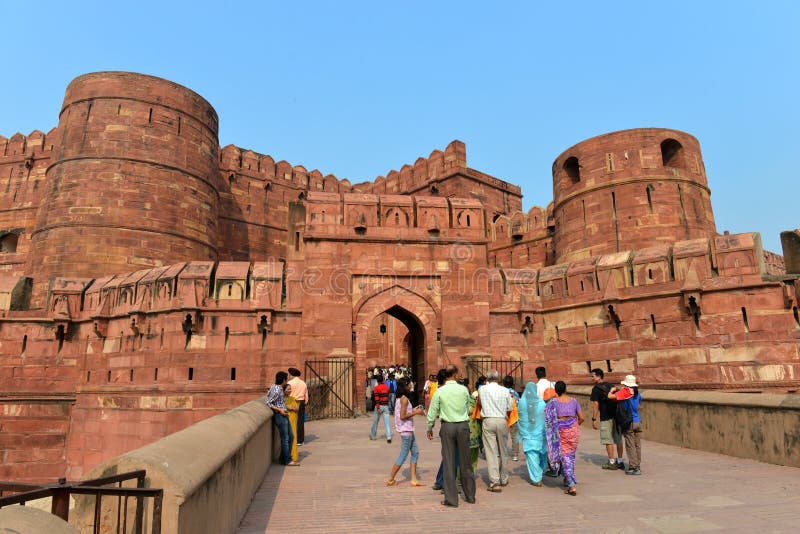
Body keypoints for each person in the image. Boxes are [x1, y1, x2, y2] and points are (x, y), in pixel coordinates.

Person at [426, 364, 476, 508]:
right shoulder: (463, 390)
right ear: (454, 375)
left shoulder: (440, 391)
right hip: (462, 426)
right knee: (466, 462)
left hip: (447, 426)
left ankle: (452, 499)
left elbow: (432, 411)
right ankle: (470, 495)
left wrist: (430, 427)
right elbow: (469, 408)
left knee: (449, 463)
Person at [544, 381, 584, 496]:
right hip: (574, 431)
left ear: (556, 391)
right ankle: (567, 479)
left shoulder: (553, 402)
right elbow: (581, 418)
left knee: (565, 457)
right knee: (570, 456)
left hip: (561, 432)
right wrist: (574, 426)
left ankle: (571, 486)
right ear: (566, 389)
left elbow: (547, 416)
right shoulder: (574, 401)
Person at [477, 369, 513, 492]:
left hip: (488, 420)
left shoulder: (482, 389)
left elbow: (480, 403)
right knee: (503, 450)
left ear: (487, 378)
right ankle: (504, 478)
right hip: (502, 419)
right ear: (498, 378)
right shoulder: (505, 390)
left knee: (491, 452)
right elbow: (510, 407)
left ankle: (495, 481)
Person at [387, 378, 426, 486]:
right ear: (406, 386)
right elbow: (403, 416)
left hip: (408, 429)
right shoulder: (404, 399)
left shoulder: (401, 398)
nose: (411, 385)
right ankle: (391, 478)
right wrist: (416, 413)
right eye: (410, 383)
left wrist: (414, 409)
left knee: (415, 452)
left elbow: (405, 412)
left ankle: (413, 479)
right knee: (403, 455)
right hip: (406, 431)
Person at [608, 375, 643, 475]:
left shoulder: (626, 392)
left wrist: (612, 390)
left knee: (630, 445)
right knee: (637, 445)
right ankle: (638, 465)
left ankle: (633, 467)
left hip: (629, 422)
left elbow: (610, 397)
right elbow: (639, 401)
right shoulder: (637, 393)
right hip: (637, 421)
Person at [590, 368, 624, 470]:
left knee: (607, 439)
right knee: (618, 439)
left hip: (605, 416)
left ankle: (612, 462)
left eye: (593, 376)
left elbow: (596, 404)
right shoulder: (610, 385)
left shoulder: (596, 389)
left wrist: (594, 419)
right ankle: (620, 461)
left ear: (599, 376)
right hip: (616, 415)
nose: (592, 378)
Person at [265, 371, 300, 466]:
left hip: (284, 415)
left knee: (291, 436)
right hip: (280, 416)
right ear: (283, 380)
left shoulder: (278, 388)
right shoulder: (276, 389)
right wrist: (279, 410)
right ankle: (288, 460)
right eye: (286, 379)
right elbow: (268, 402)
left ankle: (284, 459)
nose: (287, 380)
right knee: (285, 439)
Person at [517, 381, 548, 486]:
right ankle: (539, 474)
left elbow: (520, 417)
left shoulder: (522, 402)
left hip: (529, 434)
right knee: (542, 454)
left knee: (532, 456)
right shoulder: (542, 403)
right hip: (540, 434)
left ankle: (536, 478)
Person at [287, 367, 308, 446]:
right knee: (300, 421)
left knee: (292, 420)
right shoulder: (303, 383)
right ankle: (300, 440)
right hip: (301, 401)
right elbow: (306, 397)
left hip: (292, 401)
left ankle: (293, 439)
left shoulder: (290, 383)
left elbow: (287, 394)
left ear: (291, 374)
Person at [503, 375, 521, 461]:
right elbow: (518, 404)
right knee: (515, 437)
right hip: (514, 417)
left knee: (502, 436)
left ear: (503, 383)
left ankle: (500, 453)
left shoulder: (501, 392)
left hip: (503, 416)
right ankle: (515, 455)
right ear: (512, 384)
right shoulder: (515, 393)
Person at [370, 374, 392, 443]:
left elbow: (376, 398)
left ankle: (373, 435)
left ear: (377, 380)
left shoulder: (376, 388)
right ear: (382, 380)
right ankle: (389, 436)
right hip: (385, 406)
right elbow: (388, 396)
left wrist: (378, 407)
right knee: (387, 422)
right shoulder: (386, 387)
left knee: (375, 421)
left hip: (379, 406)